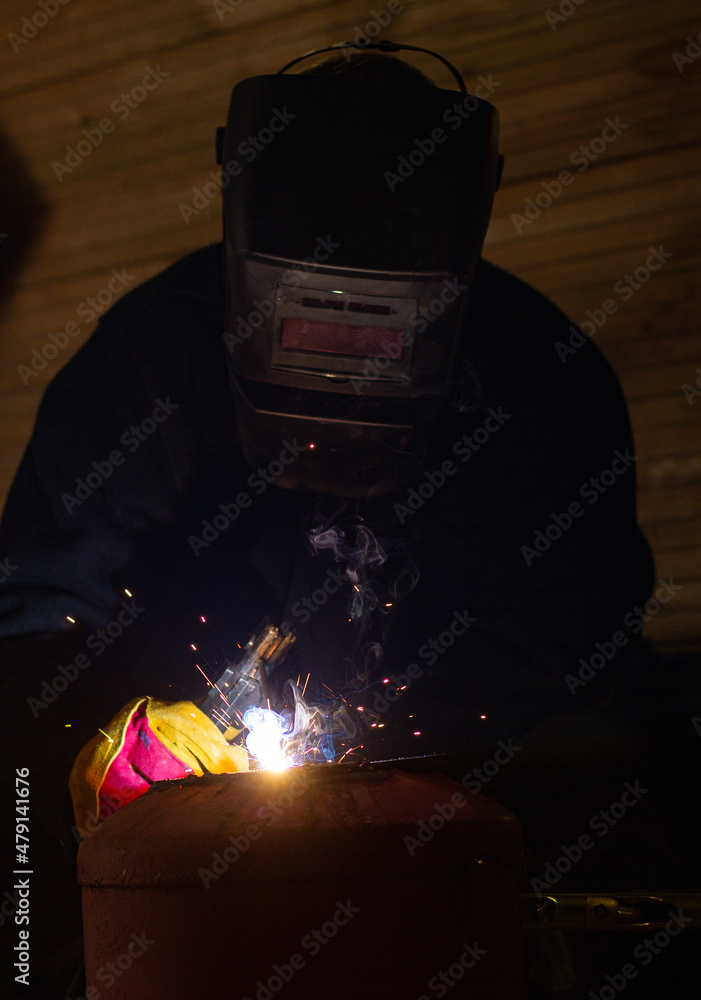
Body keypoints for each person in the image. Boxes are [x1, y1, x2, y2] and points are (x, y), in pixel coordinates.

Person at [0, 45, 691, 999]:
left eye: (384, 330)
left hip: (463, 783)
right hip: (172, 799)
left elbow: (578, 636)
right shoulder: (149, 360)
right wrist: (99, 736)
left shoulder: (542, 375)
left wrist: (392, 755)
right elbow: (34, 623)